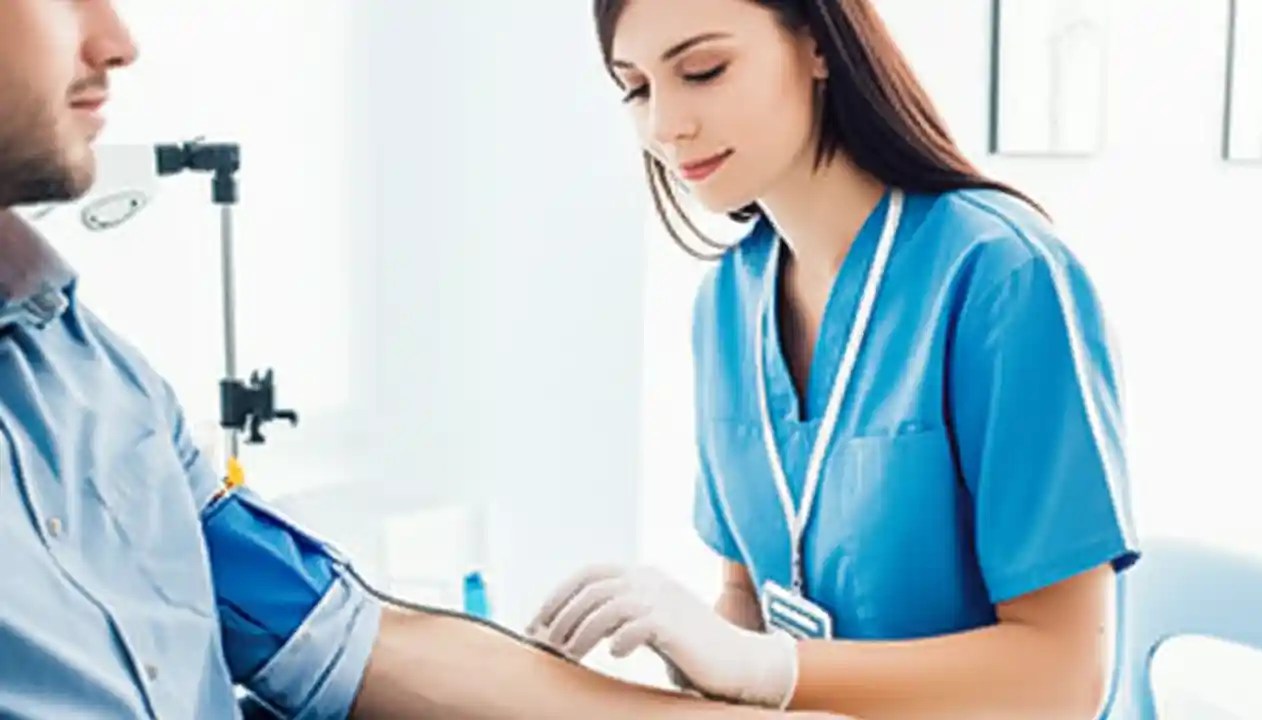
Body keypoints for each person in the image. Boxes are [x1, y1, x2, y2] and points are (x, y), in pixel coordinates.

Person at [0, 2, 861, 719]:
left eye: (702, 70)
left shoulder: (93, 379)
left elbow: (343, 639)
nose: (117, 40)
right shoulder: (735, 302)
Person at [529, 0, 1140, 717]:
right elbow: (748, 597)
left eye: (704, 70)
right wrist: (691, 651)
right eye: (636, 87)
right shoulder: (726, 304)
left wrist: (765, 668)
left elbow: (1062, 677)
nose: (665, 125)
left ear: (819, 47)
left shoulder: (1003, 277)